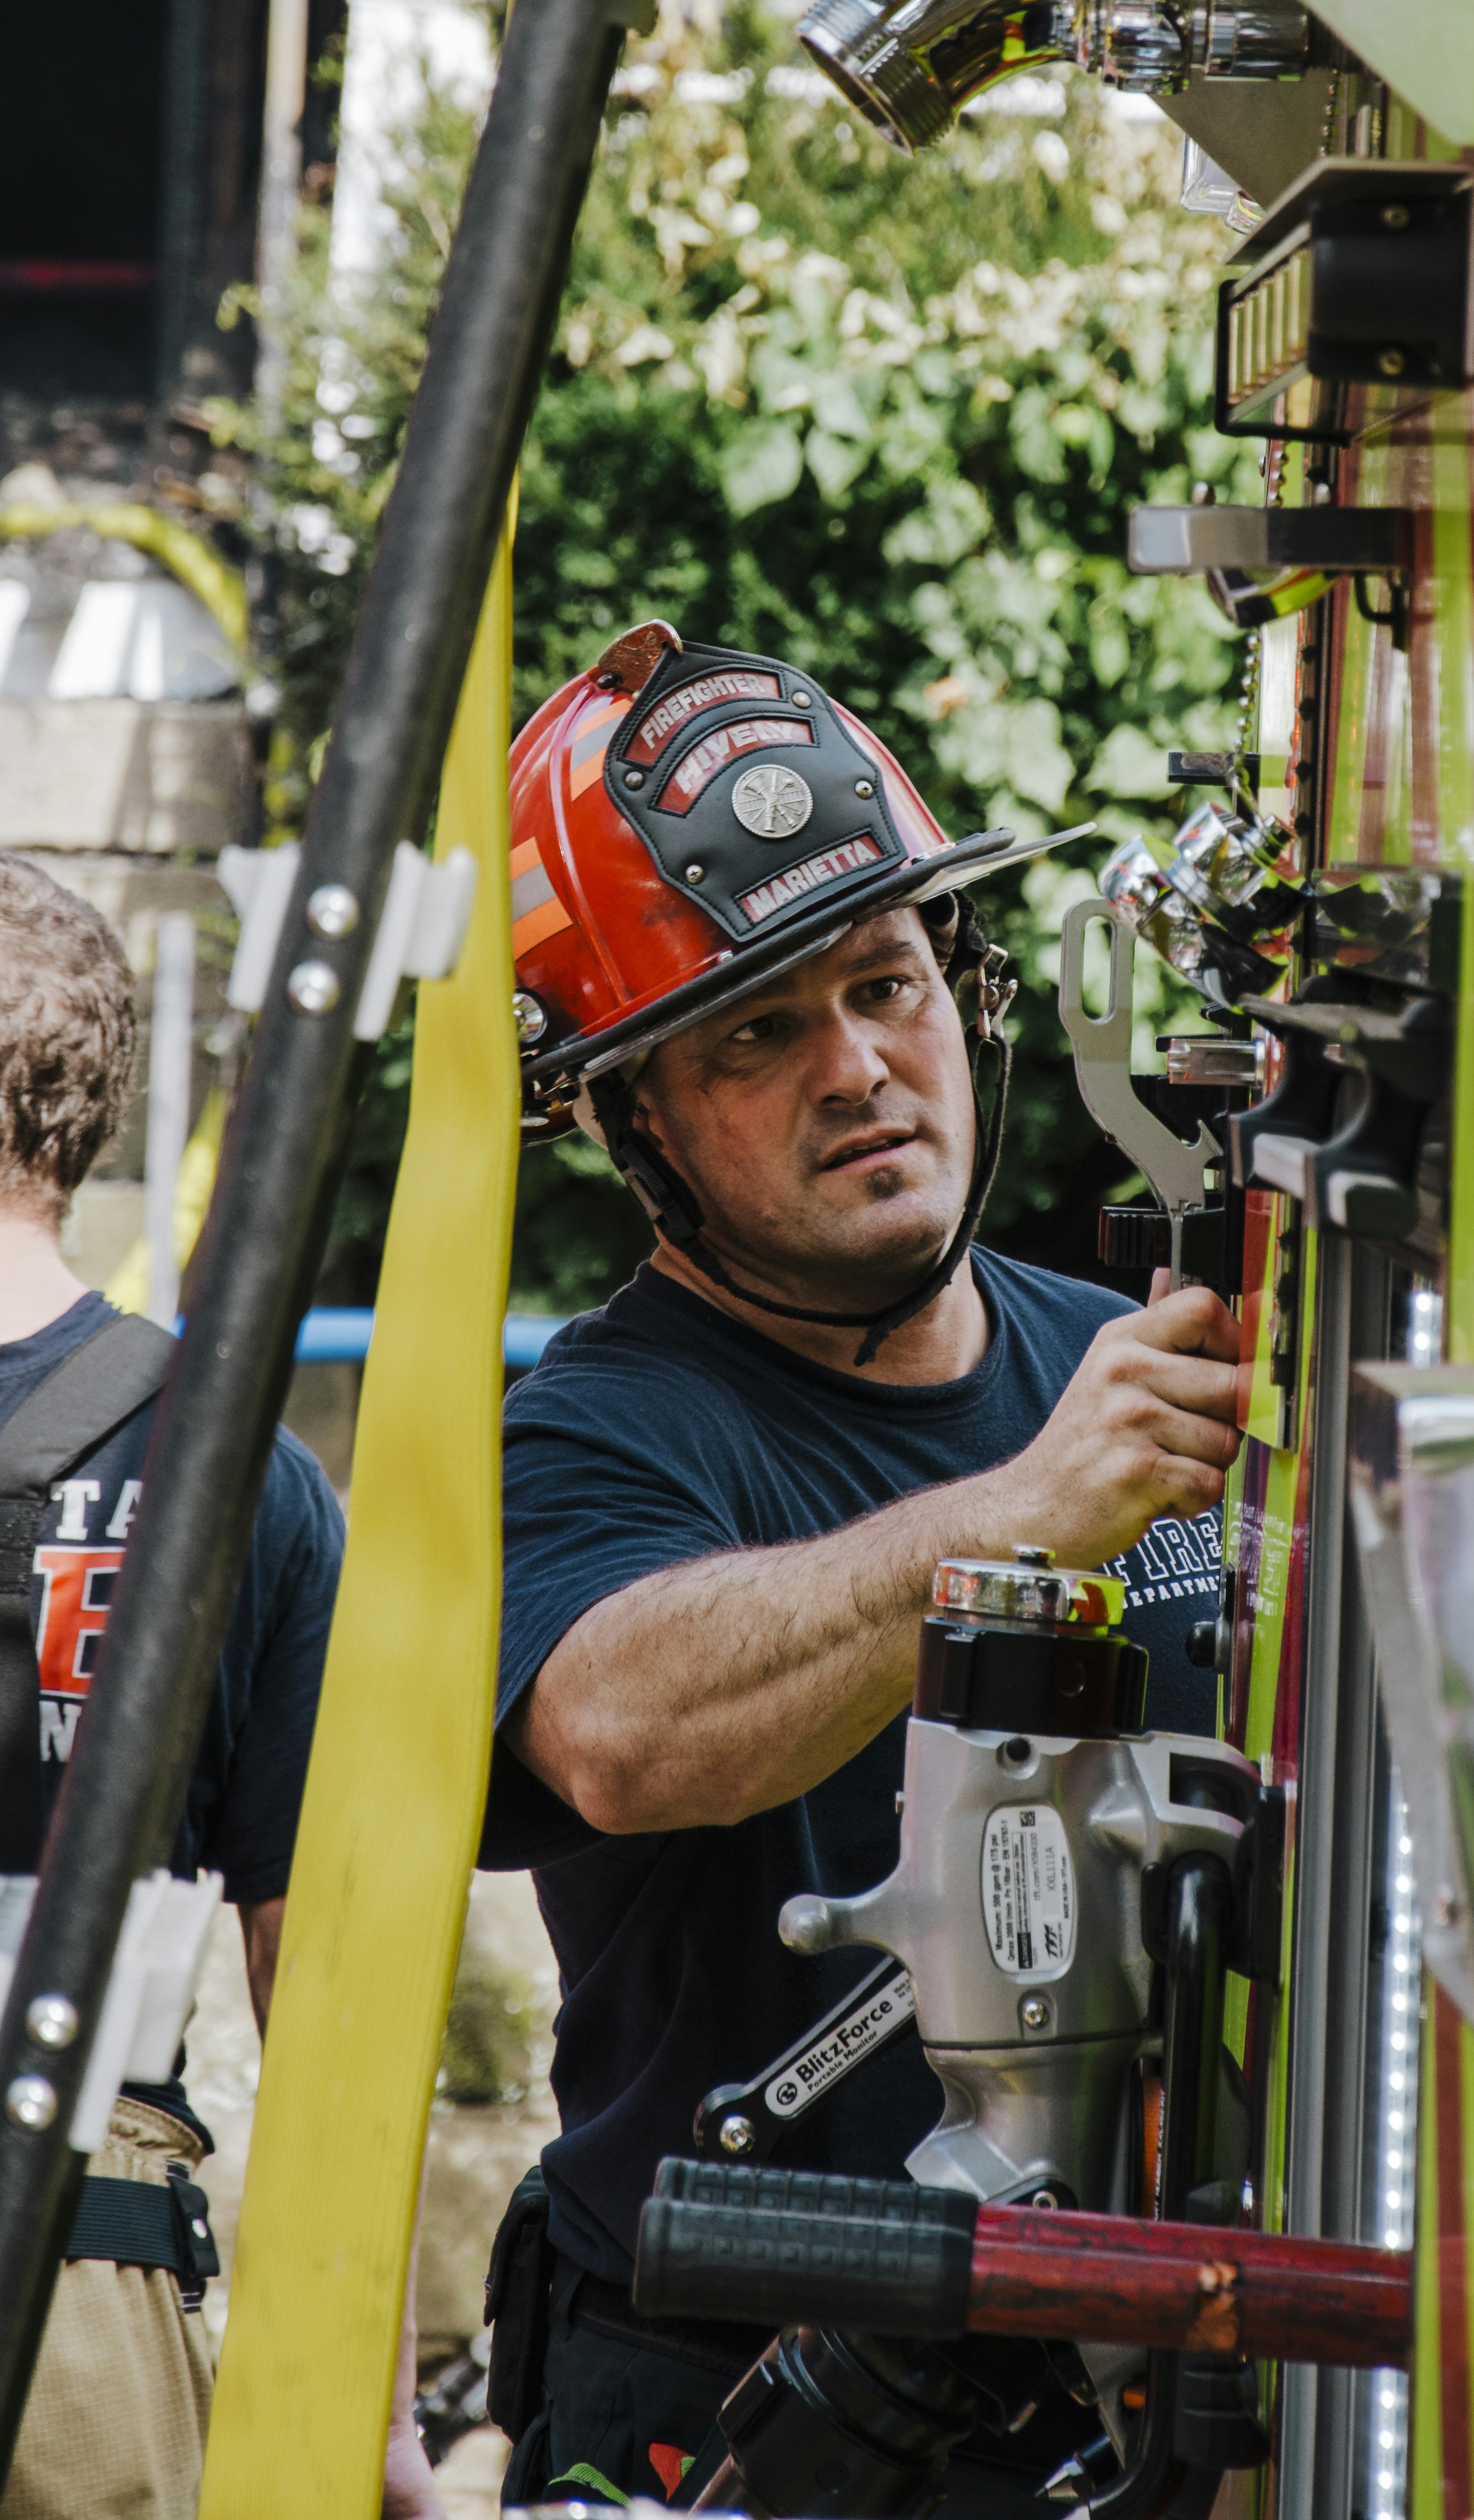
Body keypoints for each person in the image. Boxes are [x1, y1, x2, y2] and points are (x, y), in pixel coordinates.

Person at [484, 623, 1244, 2511]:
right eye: (757, 1031)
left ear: (968, 992)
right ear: (627, 1120)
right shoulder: (603, 1429)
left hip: (1142, 2384)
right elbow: (619, 1730)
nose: (860, 1070)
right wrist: (1018, 1523)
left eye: (888, 984)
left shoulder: (1127, 1373)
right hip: (744, 2408)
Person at [0, 850, 435, 2519]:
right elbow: (329, 1994)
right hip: (74, 2306)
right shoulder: (241, 1476)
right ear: (81, 1130)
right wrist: (374, 2423)